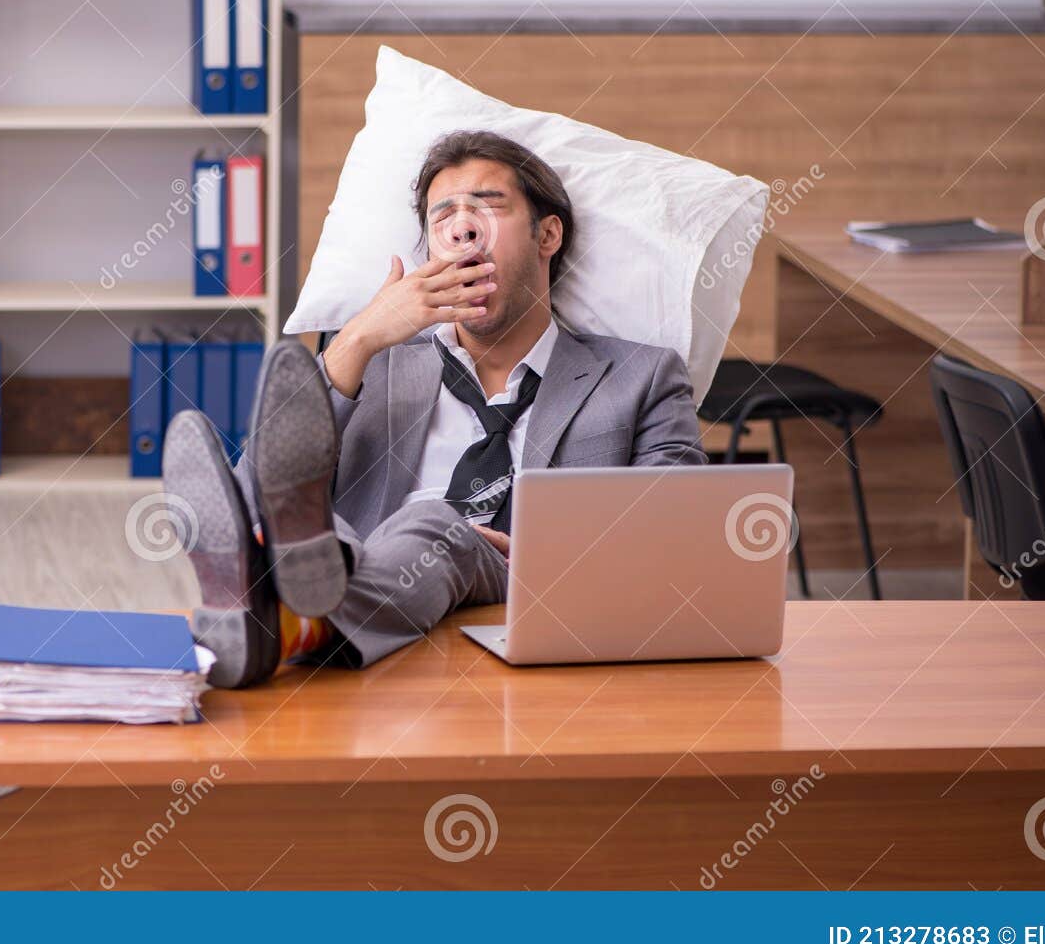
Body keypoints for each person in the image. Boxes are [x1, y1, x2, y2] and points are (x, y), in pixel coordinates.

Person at [163, 129, 707, 687]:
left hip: (533, 596)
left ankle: (293, 620)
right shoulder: (372, 364)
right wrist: (353, 341)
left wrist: (544, 564)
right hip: (383, 614)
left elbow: (676, 538)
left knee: (437, 527)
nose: (462, 226)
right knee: (330, 536)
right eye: (442, 215)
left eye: (488, 206)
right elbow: (248, 503)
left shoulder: (642, 376)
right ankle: (303, 598)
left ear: (548, 235)